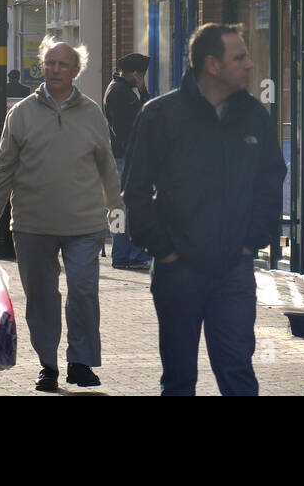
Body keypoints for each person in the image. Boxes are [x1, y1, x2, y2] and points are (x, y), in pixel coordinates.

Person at [123, 24, 286, 396]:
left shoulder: (254, 116)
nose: (249, 64)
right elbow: (134, 190)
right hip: (177, 271)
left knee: (238, 375)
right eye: (239, 57)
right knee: (179, 381)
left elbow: (271, 180)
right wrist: (164, 251)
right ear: (212, 64)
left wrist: (252, 243)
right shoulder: (160, 115)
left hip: (234, 270)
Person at [0, 37, 122, 392]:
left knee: (83, 291)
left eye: (63, 64)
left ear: (75, 71)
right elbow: (3, 170)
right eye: (50, 63)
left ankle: (81, 362)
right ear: (43, 66)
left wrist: (116, 210)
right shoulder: (21, 113)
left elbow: (107, 168)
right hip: (33, 223)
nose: (55, 70)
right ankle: (48, 365)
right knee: (41, 297)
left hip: (84, 222)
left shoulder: (91, 113)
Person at [103, 53, 152, 271]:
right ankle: (124, 254)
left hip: (123, 157)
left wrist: (141, 91)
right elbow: (128, 127)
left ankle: (124, 254)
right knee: (122, 208)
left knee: (122, 208)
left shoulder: (122, 90)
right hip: (124, 158)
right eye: (141, 76)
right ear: (135, 74)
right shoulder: (119, 93)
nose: (141, 79)